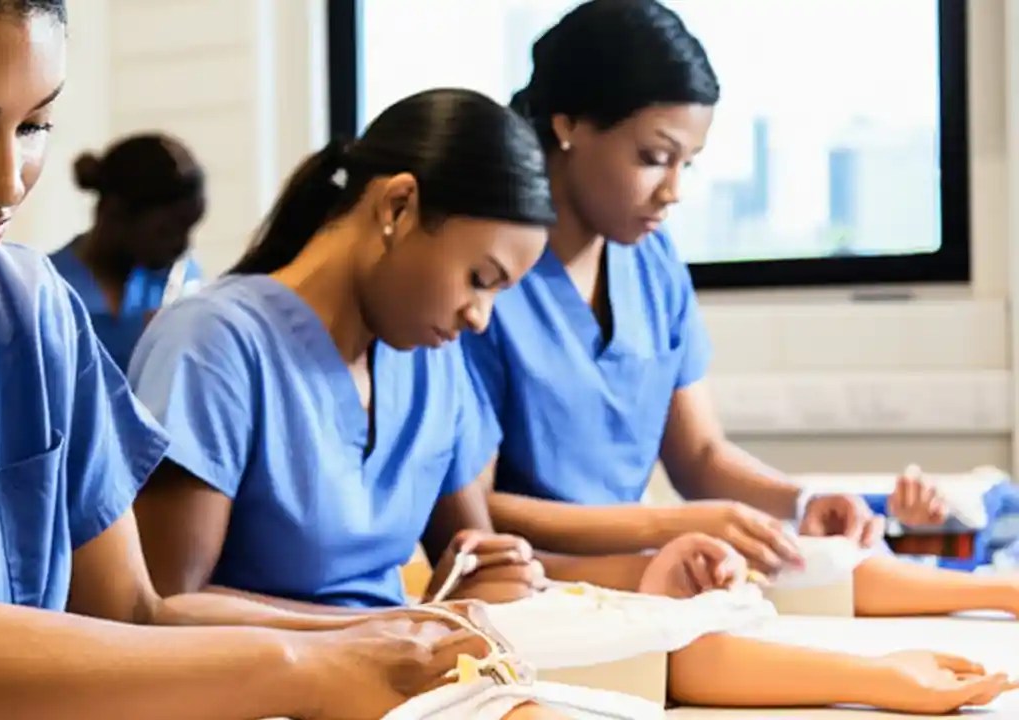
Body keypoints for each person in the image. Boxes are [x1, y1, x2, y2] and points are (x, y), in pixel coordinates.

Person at [127, 87, 1014, 716]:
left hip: (417, 663)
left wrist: (641, 580)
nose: (477, 318)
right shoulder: (216, 345)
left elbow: (475, 573)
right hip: (272, 683)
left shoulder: (423, 361)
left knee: (666, 631)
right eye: (477, 280)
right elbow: (158, 608)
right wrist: (394, 624)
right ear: (397, 207)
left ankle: (881, 675)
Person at [0, 3, 499, 718]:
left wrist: (402, 637)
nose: (7, 184)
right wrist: (305, 671)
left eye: (35, 125)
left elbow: (131, 613)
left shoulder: (30, 308)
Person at [461, 0, 987, 590]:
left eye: (689, 163)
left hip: (645, 578)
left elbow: (701, 456)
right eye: (654, 158)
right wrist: (666, 523)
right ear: (568, 126)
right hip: (528, 585)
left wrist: (801, 500)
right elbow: (475, 508)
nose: (674, 191)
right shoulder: (486, 279)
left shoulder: (652, 263)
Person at [51, 132, 207, 372]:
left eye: (189, 228)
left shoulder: (180, 281)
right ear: (115, 212)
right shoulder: (51, 287)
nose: (183, 245)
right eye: (166, 231)